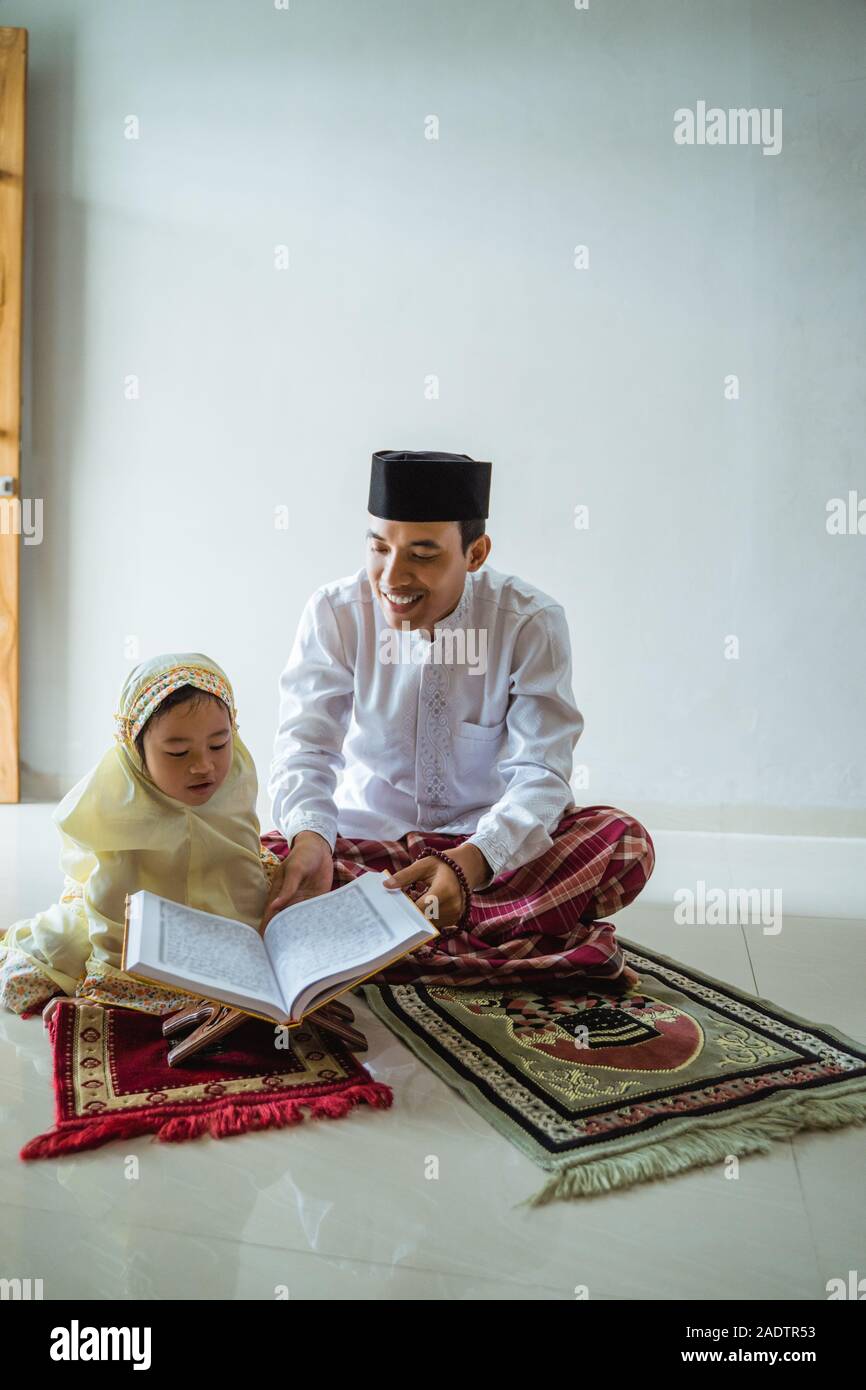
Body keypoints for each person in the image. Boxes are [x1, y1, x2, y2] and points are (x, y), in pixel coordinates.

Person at [264, 448, 655, 989]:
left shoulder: (528, 622)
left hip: (487, 854)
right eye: (380, 548)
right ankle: (496, 940)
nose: (392, 576)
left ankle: (392, 936)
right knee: (266, 860)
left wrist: (468, 864)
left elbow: (541, 776)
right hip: (369, 850)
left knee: (623, 842)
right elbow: (306, 749)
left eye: (422, 555)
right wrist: (309, 839)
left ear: (476, 554)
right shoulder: (335, 612)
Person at [0, 653, 282, 1016]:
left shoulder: (236, 778)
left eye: (219, 744)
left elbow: (241, 870)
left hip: (218, 904)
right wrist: (110, 971)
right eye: (177, 752)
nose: (204, 766)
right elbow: (113, 903)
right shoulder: (122, 803)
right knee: (51, 956)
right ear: (136, 749)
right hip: (133, 915)